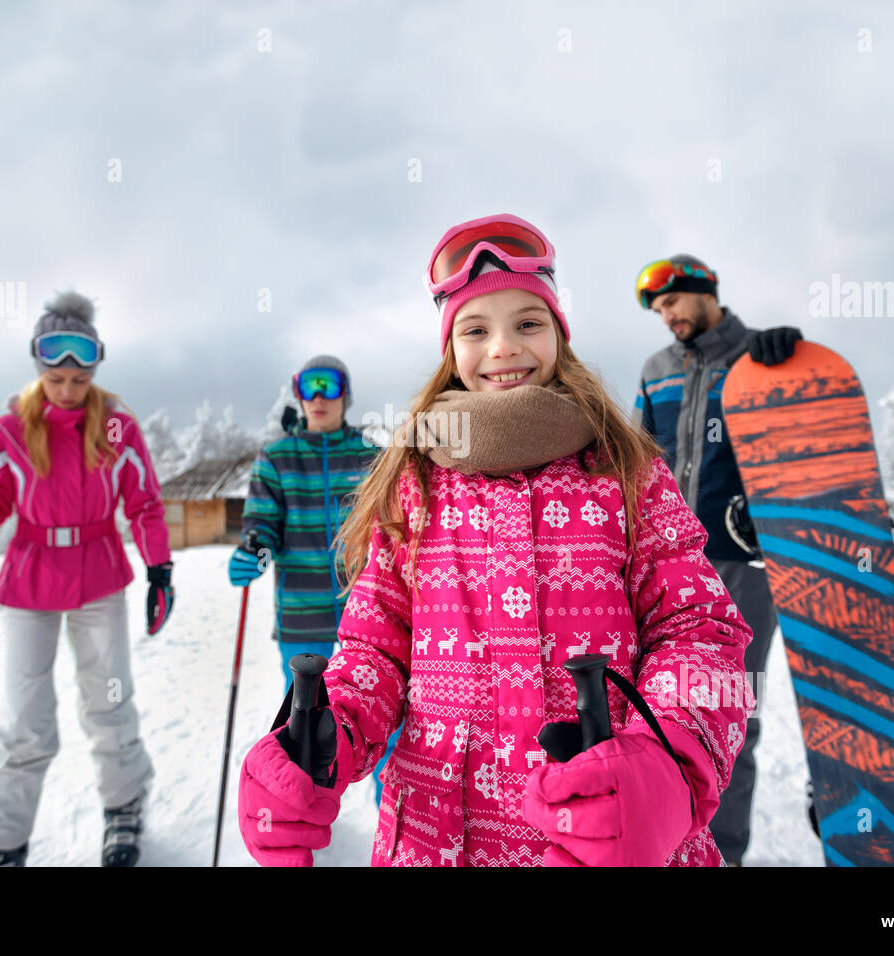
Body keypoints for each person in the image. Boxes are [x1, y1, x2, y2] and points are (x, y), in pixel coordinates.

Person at [235, 214, 753, 867]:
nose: (503, 347)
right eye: (476, 330)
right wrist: (319, 739)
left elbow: (698, 630)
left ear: (559, 335)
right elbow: (375, 648)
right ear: (450, 349)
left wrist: (668, 765)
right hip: (433, 839)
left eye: (528, 323)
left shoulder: (626, 469)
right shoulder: (416, 480)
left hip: (609, 837)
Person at [0, 291, 174, 867]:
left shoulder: (117, 429)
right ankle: (2, 839)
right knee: (24, 717)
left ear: (95, 365)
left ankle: (124, 806)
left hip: (99, 572)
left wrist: (160, 568)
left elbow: (146, 505)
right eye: (56, 375)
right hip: (30, 576)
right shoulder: (10, 430)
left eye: (80, 376)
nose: (69, 387)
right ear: (39, 366)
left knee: (109, 700)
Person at [631, 255, 802, 866]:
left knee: (728, 713)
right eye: (657, 309)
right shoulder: (657, 371)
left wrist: (791, 366)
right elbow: (636, 458)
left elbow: (805, 439)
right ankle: (662, 847)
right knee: (652, 711)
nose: (666, 315)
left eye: (672, 301)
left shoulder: (762, 355)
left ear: (706, 291)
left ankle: (721, 854)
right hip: (661, 565)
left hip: (741, 565)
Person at [227, 356, 391, 803]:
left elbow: (392, 525)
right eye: (309, 386)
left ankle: (394, 811)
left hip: (369, 615)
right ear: (299, 394)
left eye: (330, 385)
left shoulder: (370, 455)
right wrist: (254, 551)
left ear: (346, 394)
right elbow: (262, 525)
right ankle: (299, 808)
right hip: (302, 613)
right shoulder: (277, 458)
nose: (319, 396)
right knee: (303, 716)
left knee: (384, 711)